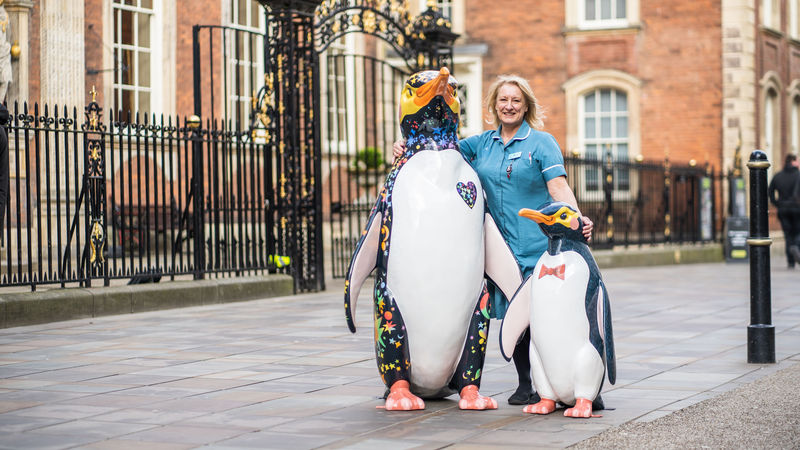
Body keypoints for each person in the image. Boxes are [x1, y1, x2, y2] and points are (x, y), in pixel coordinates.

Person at [394, 74, 593, 405]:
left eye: (516, 100)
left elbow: (558, 186)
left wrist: (576, 219)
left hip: (537, 245)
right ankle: (527, 382)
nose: (509, 106)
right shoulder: (481, 144)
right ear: (494, 105)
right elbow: (437, 152)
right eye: (503, 100)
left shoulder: (541, 143)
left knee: (545, 314)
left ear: (526, 106)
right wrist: (404, 146)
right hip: (500, 245)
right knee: (514, 313)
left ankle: (562, 383)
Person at [768, 153, 800, 268]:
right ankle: (796, 246)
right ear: (793, 162)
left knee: (787, 235)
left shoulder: (778, 176)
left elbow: (770, 191)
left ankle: (790, 262)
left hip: (783, 209)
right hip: (797, 208)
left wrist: (776, 203)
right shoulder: (798, 175)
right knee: (798, 232)